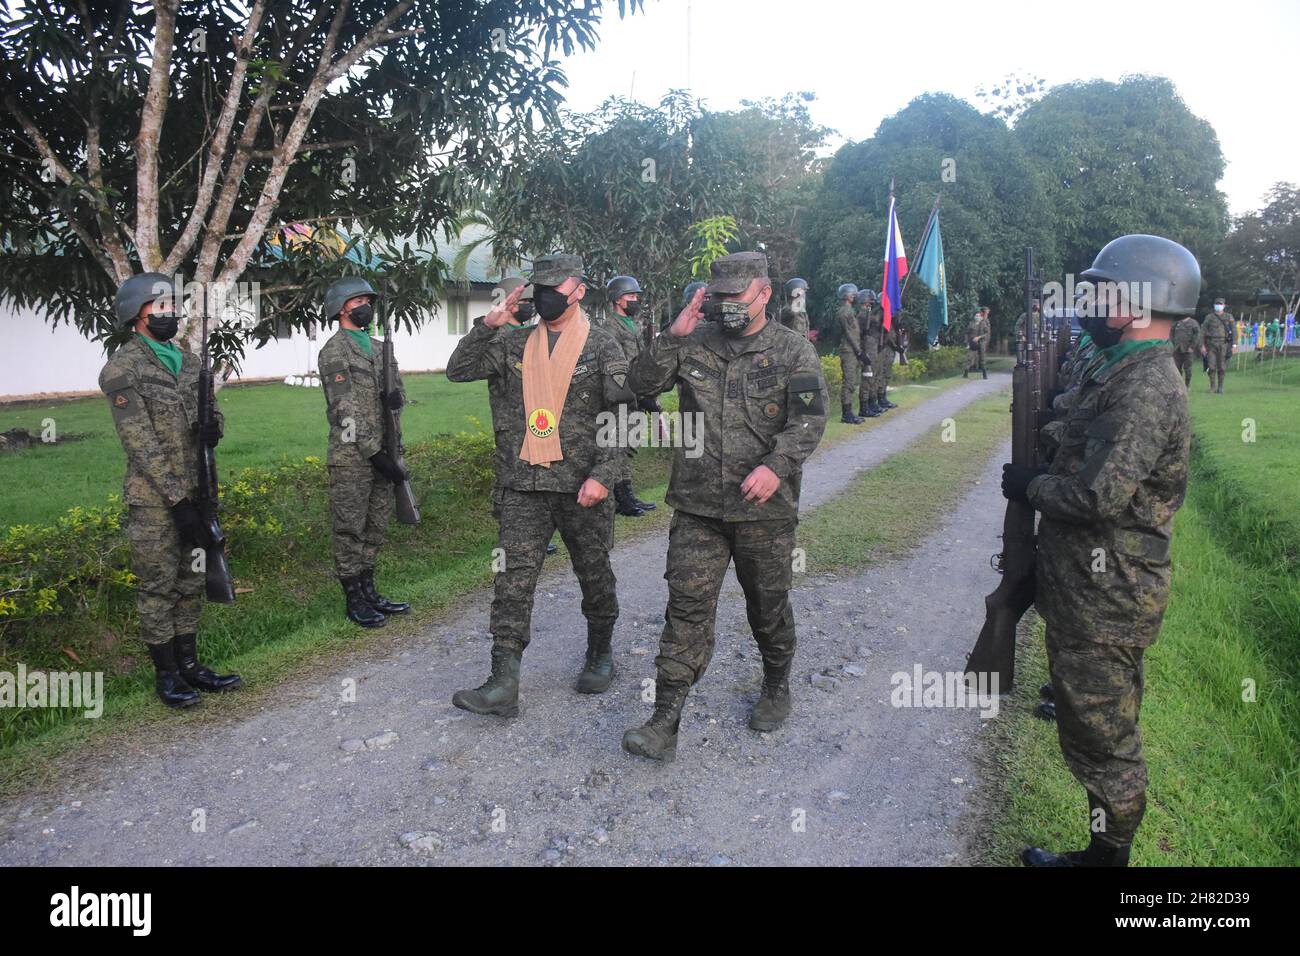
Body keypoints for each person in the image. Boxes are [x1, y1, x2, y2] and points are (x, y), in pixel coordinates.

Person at [1002, 234, 1199, 867]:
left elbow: (1095, 497)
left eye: (1103, 290)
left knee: (1103, 740)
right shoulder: (1127, 371)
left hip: (1106, 594)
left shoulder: (1147, 387)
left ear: (1139, 300)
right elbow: (1087, 438)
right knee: (1091, 728)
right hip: (1090, 585)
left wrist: (1031, 485)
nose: (1092, 301)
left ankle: (1106, 859)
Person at [621, 251, 828, 761]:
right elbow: (638, 385)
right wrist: (672, 335)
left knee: (768, 606)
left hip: (764, 509)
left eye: (735, 297)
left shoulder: (793, 351)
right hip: (698, 506)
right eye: (719, 297)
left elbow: (808, 422)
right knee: (686, 609)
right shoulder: (692, 342)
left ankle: (776, 684)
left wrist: (776, 465)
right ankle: (664, 720)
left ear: (763, 294)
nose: (726, 306)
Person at [446, 254, 632, 713]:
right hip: (523, 483)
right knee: (511, 581)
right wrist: (490, 323)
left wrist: (604, 477)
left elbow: (622, 417)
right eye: (540, 288)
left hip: (581, 486)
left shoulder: (604, 347)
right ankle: (502, 683)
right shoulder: (511, 344)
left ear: (578, 291)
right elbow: (458, 369)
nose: (546, 296)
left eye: (555, 287)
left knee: (594, 575)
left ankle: (600, 653)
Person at [100, 273, 241, 708]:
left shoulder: (191, 361)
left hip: (199, 493)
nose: (170, 315)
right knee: (158, 586)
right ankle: (166, 675)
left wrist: (214, 428)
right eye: (160, 308)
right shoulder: (123, 369)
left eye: (173, 307)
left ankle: (191, 666)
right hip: (156, 501)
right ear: (137, 314)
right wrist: (176, 501)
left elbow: (212, 413)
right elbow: (139, 441)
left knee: (191, 580)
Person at [317, 277, 411, 629]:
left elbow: (397, 394)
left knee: (375, 526)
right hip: (352, 458)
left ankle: (370, 589)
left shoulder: (379, 347)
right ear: (342, 308)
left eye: (368, 301)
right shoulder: (335, 351)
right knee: (350, 529)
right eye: (359, 301)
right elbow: (344, 411)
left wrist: (396, 401)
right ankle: (354, 597)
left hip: (385, 453)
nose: (366, 307)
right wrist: (375, 455)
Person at [604, 274, 659, 518]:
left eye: (636, 295)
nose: (635, 300)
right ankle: (619, 497)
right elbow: (616, 366)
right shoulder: (609, 328)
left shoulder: (631, 323)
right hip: (619, 395)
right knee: (617, 446)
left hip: (634, 394)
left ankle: (627, 492)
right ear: (617, 299)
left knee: (627, 446)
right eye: (631, 296)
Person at [835, 282, 866, 423]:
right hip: (849, 350)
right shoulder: (844, 312)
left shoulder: (850, 311)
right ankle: (846, 414)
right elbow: (849, 333)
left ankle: (850, 412)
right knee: (849, 382)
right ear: (845, 295)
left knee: (853, 381)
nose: (854, 295)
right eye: (851, 293)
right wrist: (859, 351)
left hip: (853, 349)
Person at [1200, 297, 1234, 394]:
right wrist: (1202, 345)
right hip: (1211, 344)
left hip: (1224, 344)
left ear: (1224, 306)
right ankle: (1212, 387)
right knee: (1211, 366)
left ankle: (1220, 387)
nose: (1218, 306)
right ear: (1214, 305)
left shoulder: (1228, 316)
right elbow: (1202, 331)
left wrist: (1234, 345)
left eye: (1220, 304)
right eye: (1217, 304)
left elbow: (1234, 331)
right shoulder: (1209, 317)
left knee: (1222, 367)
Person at [1170, 315, 1202, 387]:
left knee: (1188, 369)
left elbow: (1197, 335)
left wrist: (1192, 346)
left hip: (1188, 350)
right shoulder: (1176, 323)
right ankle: (1179, 385)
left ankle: (1187, 385)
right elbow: (1171, 333)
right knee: (1177, 369)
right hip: (1177, 349)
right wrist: (1173, 343)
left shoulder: (1193, 323)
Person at [964, 307, 990, 378]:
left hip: (981, 342)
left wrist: (979, 337)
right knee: (969, 357)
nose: (977, 317)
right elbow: (967, 333)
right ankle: (965, 372)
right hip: (972, 342)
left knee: (982, 358)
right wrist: (967, 342)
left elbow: (987, 333)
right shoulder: (971, 324)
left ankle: (984, 373)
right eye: (976, 316)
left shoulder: (984, 323)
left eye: (979, 316)